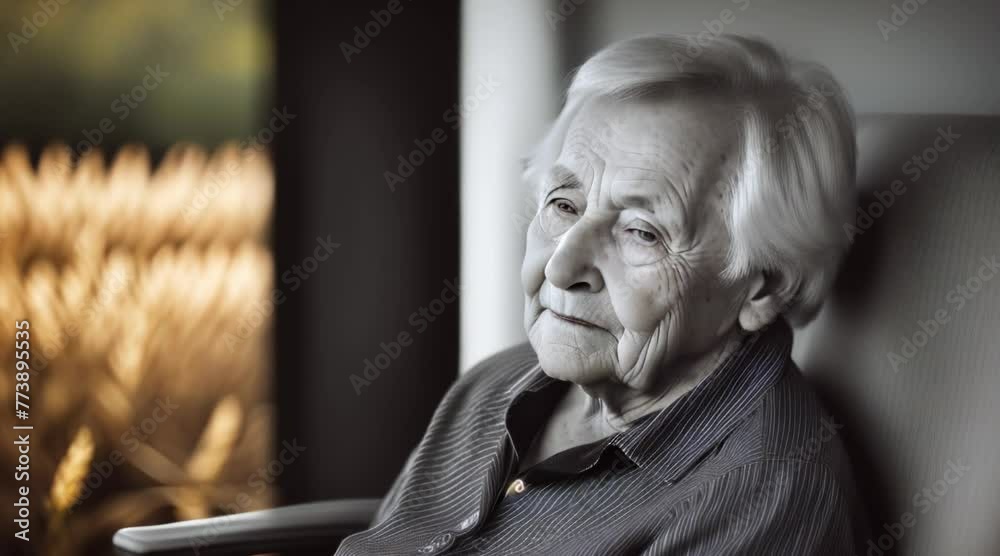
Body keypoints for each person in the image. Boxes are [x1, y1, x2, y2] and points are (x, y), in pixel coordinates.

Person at [337, 33, 866, 555]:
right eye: (564, 205)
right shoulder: (498, 384)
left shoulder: (761, 496)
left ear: (761, 287)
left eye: (641, 231)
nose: (562, 266)